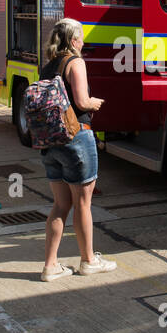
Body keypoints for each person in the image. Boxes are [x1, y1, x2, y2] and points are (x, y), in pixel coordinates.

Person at [38, 18, 117, 282]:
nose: (83, 42)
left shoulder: (47, 66)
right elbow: (82, 101)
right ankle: (89, 260)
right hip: (76, 138)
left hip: (51, 142)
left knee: (60, 205)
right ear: (73, 41)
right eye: (81, 37)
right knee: (83, 204)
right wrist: (95, 103)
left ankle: (50, 266)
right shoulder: (76, 62)